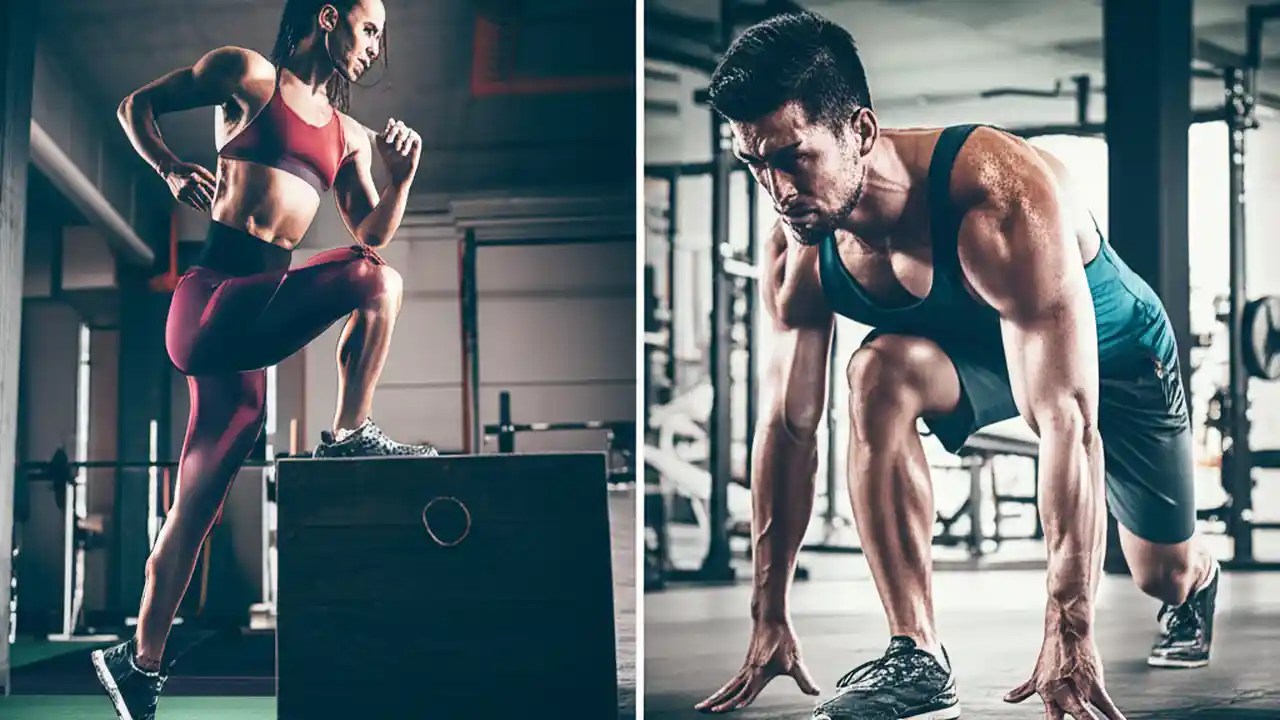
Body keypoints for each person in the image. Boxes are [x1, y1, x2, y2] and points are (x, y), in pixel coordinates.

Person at [694, 11, 1219, 720]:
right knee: (876, 372)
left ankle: (1199, 578)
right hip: (976, 357)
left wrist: (1070, 628)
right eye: (755, 164)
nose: (778, 189)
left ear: (862, 132)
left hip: (1117, 360)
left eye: (793, 157)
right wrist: (768, 612)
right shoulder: (798, 249)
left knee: (1161, 570)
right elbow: (788, 427)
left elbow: (1067, 420)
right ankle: (916, 656)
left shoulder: (997, 194)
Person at [89, 1, 433, 717]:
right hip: (212, 298)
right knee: (377, 280)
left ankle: (138, 663)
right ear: (330, 17)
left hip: (245, 339)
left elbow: (370, 226)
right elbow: (134, 106)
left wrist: (399, 178)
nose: (375, 48)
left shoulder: (348, 136)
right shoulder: (248, 76)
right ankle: (350, 436)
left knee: (193, 514)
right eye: (369, 28)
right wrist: (170, 168)